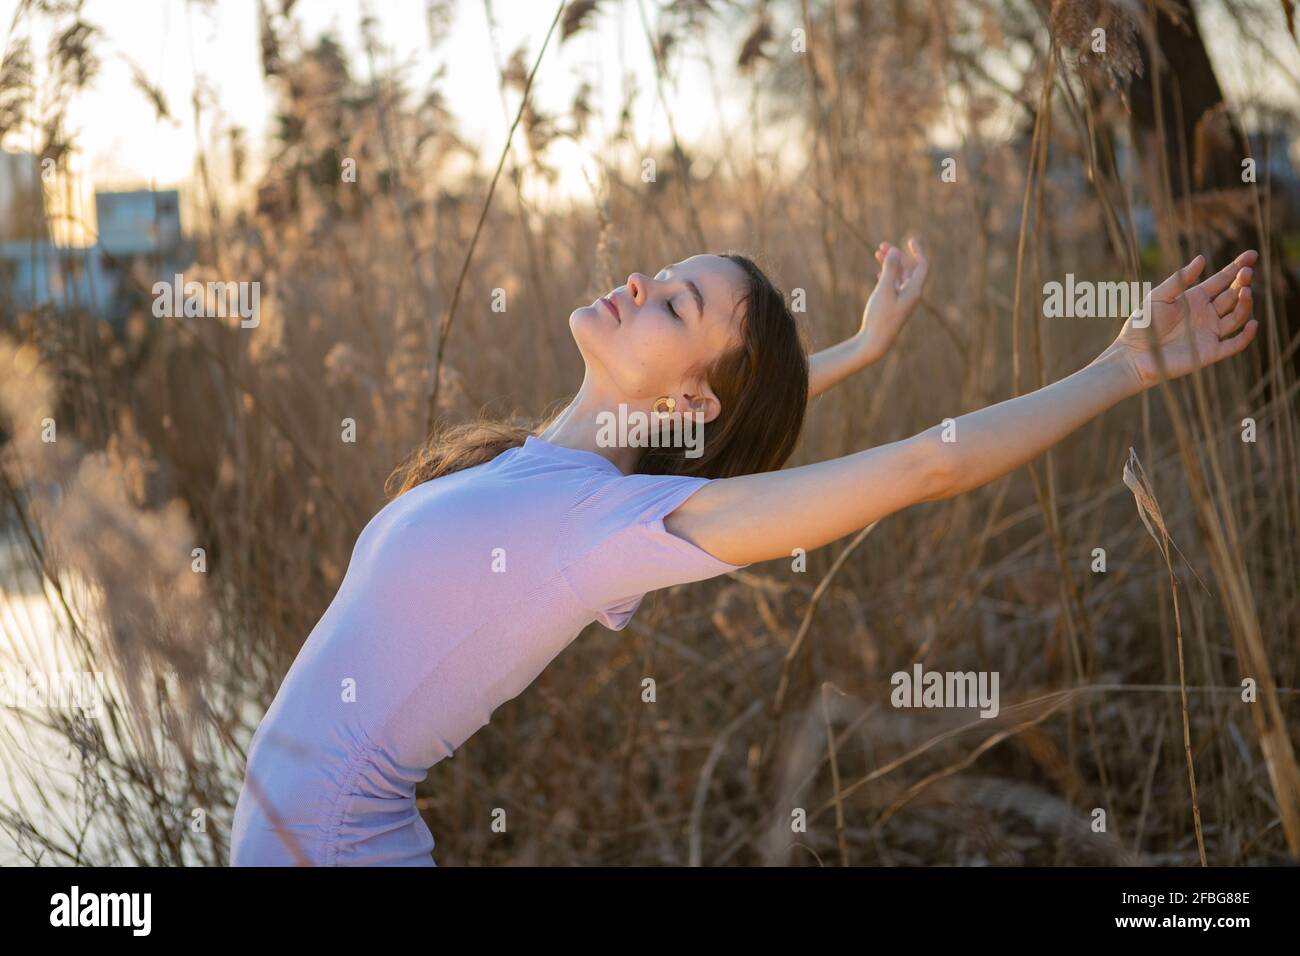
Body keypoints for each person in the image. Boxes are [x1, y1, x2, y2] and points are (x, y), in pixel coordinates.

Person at [230, 240, 1257, 865]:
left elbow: (920, 469)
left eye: (677, 304)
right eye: (670, 276)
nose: (643, 279)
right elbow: (721, 435)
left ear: (689, 398)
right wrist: (856, 349)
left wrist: (1122, 366)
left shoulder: (602, 530)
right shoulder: (531, 462)